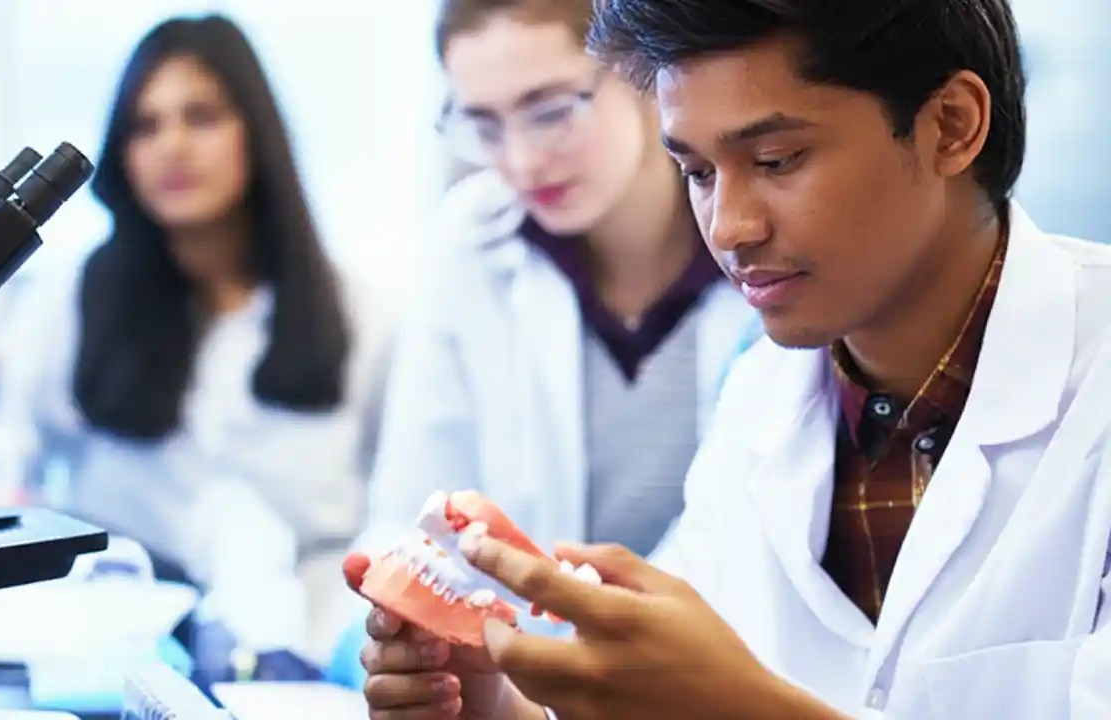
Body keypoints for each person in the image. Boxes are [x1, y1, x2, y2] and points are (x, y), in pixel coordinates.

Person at [350, 0, 1111, 718]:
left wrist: (742, 708)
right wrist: (504, 711)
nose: (730, 228)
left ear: (951, 125)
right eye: (699, 173)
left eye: (777, 160)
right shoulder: (761, 400)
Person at [328, 0, 758, 684]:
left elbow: (753, 554)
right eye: (483, 123)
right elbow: (410, 515)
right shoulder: (470, 244)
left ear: (645, 72)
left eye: (551, 108)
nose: (521, 160)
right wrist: (399, 638)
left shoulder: (761, 257)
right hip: (520, 683)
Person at [0, 15, 393, 668]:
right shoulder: (72, 301)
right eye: (146, 126)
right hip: (120, 656)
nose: (173, 146)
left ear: (257, 132)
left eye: (202, 116)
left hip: (317, 660)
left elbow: (399, 510)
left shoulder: (361, 315)